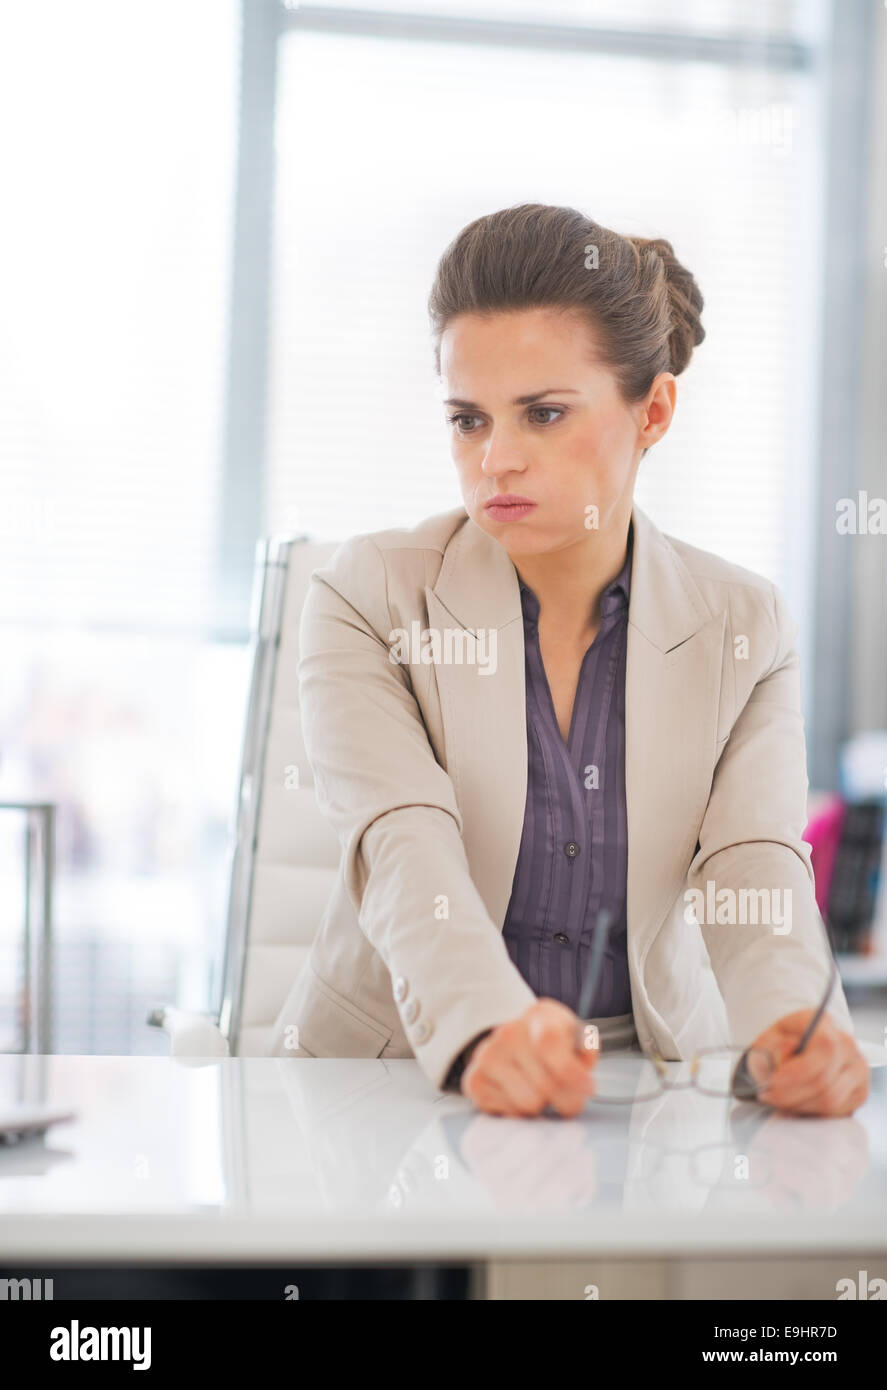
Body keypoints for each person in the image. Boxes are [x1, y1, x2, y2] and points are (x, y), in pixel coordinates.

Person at [270, 203, 869, 1120]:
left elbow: (752, 861)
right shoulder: (368, 595)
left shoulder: (743, 623)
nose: (496, 460)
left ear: (653, 411)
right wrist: (487, 1031)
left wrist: (792, 1022)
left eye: (543, 414)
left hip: (650, 1093)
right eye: (467, 421)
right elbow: (403, 844)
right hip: (391, 1081)